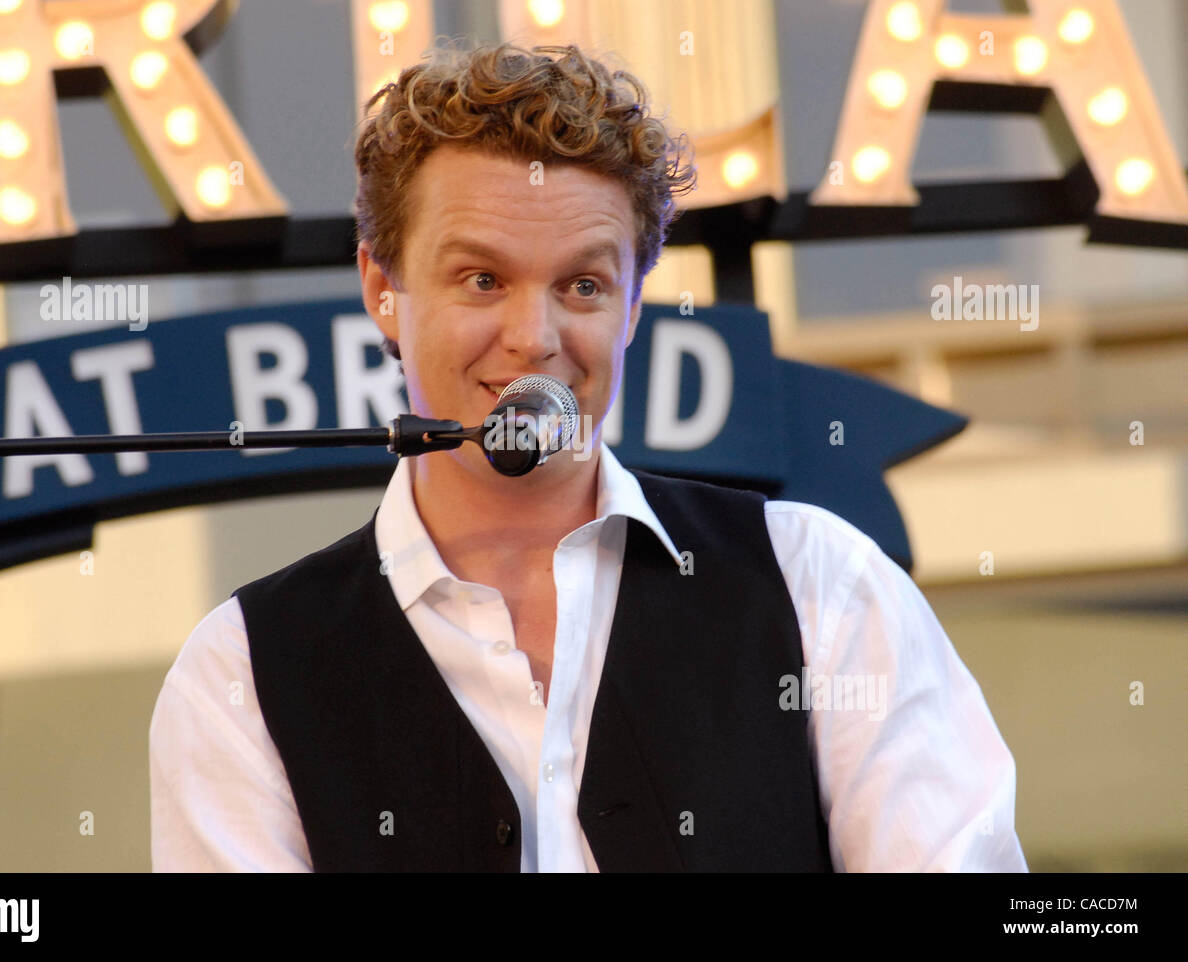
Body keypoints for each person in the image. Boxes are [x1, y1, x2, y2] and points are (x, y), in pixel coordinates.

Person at [149, 41, 1028, 872]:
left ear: (635, 305)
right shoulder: (241, 671)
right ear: (385, 289)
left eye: (582, 285)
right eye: (482, 279)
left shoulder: (820, 584)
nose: (534, 339)